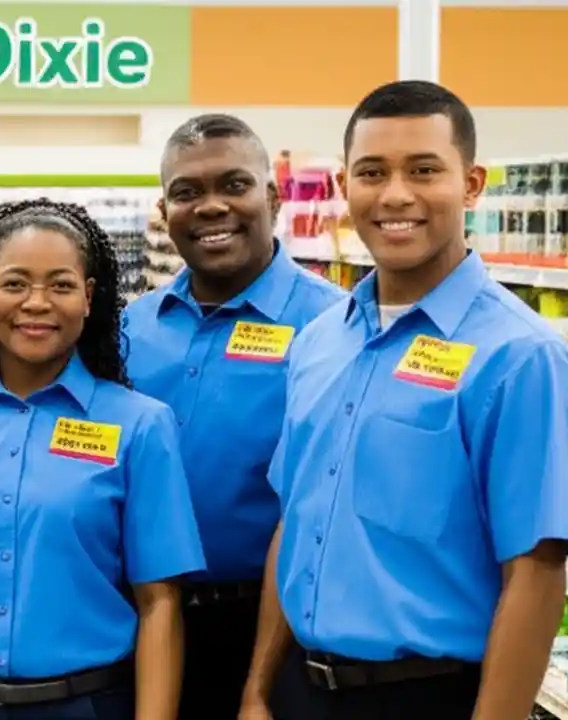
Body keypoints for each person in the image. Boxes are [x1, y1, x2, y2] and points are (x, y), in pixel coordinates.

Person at [240, 80, 568, 720]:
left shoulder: (520, 357)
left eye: (423, 170)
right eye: (372, 173)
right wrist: (258, 689)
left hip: (430, 694)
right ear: (344, 187)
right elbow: (294, 521)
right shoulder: (318, 343)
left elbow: (536, 569)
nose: (395, 195)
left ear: (472, 184)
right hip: (300, 690)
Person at [0, 197, 207, 719]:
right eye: (15, 284)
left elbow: (159, 604)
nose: (37, 302)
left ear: (88, 297)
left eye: (60, 285)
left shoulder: (140, 427)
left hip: (86, 706)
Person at [122, 114, 345, 718]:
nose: (211, 206)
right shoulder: (128, 330)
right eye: (187, 192)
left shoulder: (337, 329)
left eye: (235, 185)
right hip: (136, 621)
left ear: (272, 197)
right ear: (164, 212)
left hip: (273, 631)